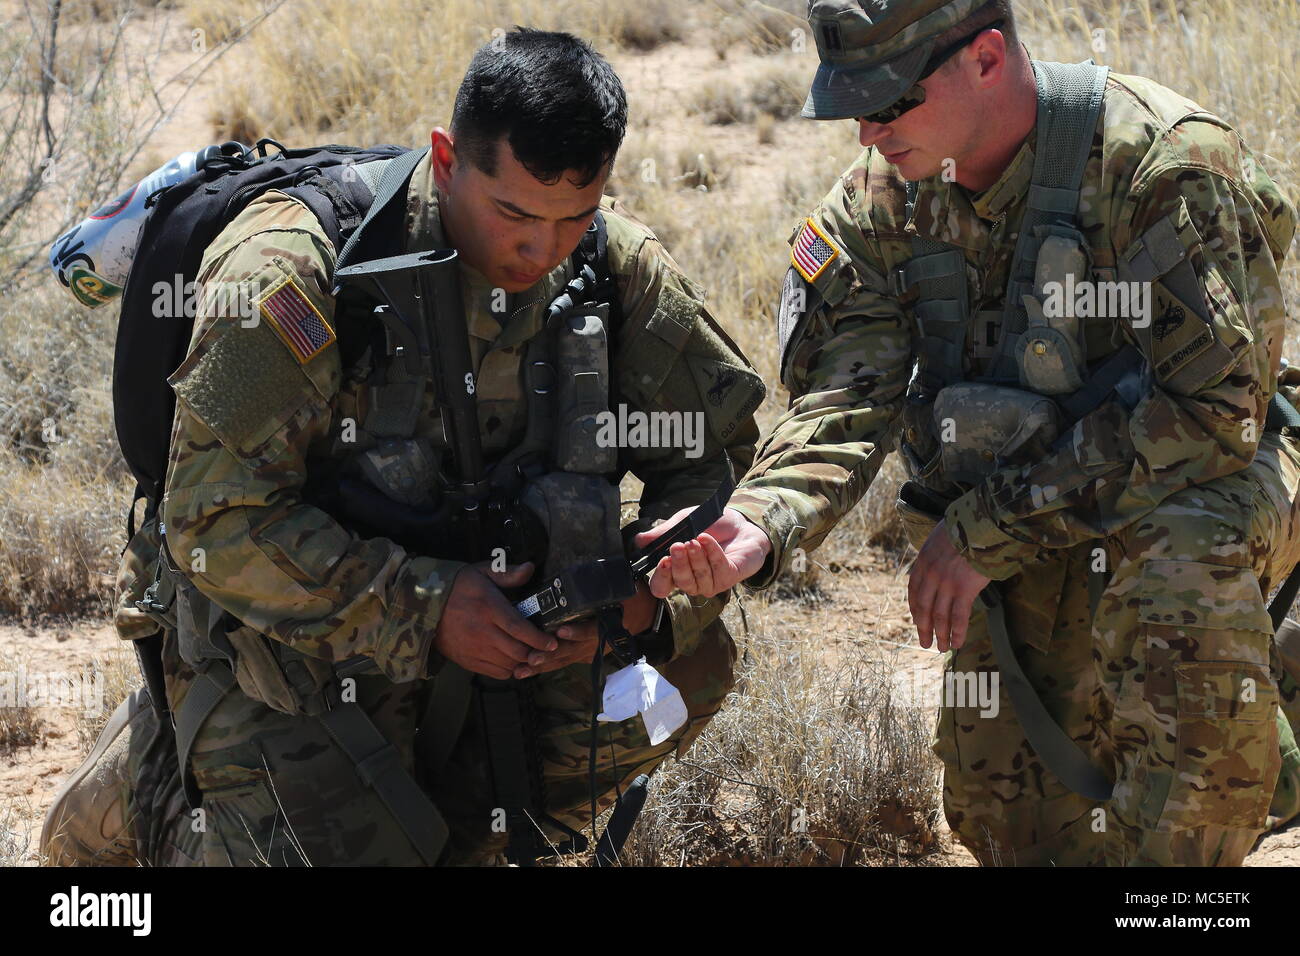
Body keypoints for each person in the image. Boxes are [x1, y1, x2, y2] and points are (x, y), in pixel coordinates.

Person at [42, 28, 763, 866]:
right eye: (516, 215)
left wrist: (641, 594)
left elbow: (714, 457)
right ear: (447, 159)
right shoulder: (291, 272)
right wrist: (425, 609)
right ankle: (152, 788)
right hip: (297, 637)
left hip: (510, 631)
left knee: (686, 666)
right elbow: (213, 524)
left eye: (575, 217)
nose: (542, 251)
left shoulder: (607, 262)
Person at [641, 0, 1300, 865]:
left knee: (1181, 572)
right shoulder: (883, 201)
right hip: (1031, 508)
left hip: (1213, 482)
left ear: (986, 58)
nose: (868, 137)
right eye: (852, 109)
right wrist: (761, 522)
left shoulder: (1159, 166)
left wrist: (988, 530)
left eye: (889, 104)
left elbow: (1213, 416)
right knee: (1018, 827)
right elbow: (848, 393)